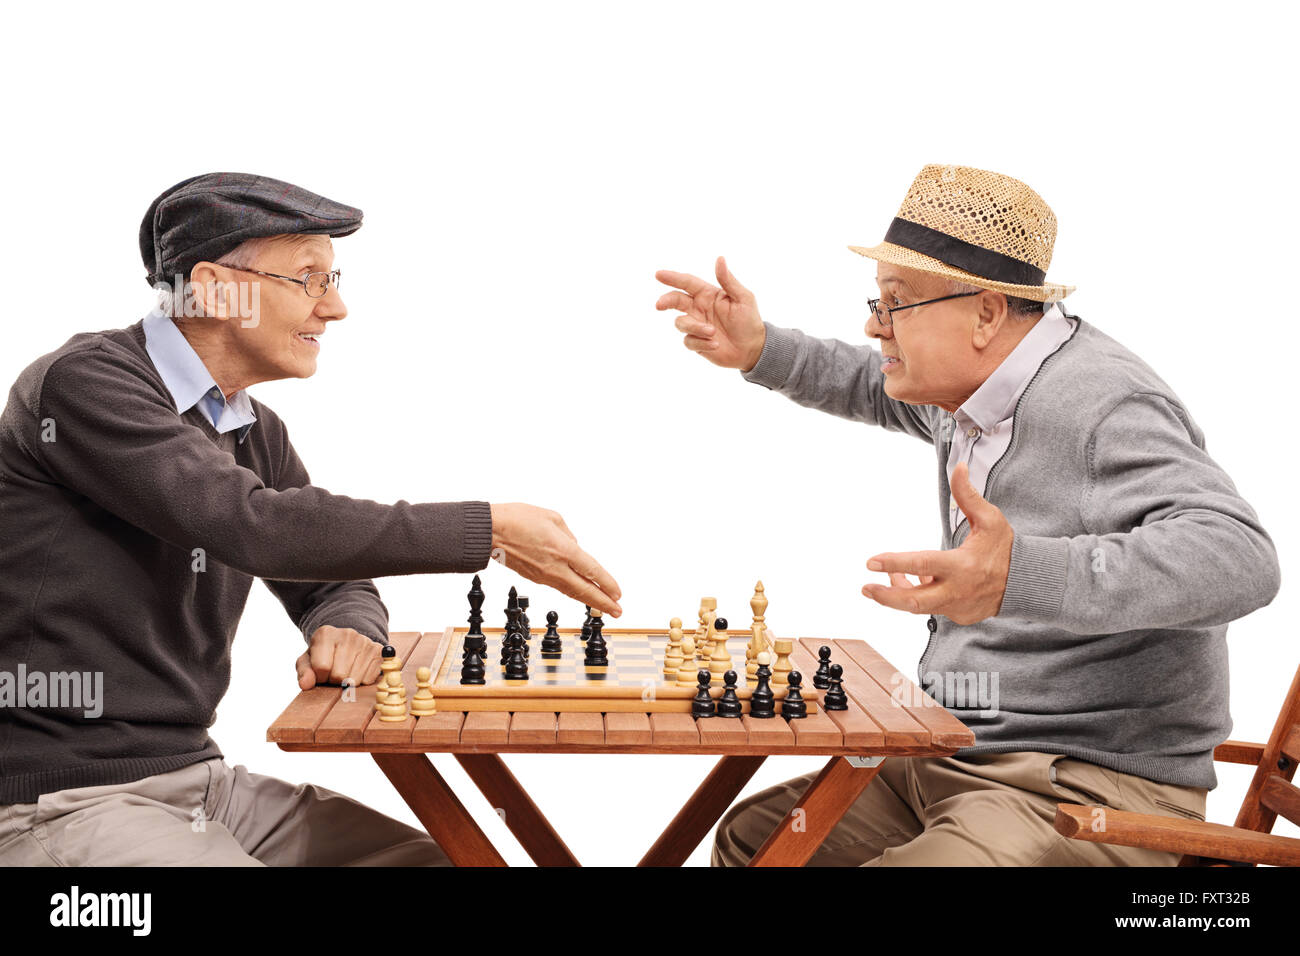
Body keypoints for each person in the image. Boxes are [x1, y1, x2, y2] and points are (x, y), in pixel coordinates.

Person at [655, 163, 1280, 866]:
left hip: (1079, 787)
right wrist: (763, 349)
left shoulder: (1103, 405)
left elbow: (1240, 558)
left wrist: (1023, 575)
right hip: (955, 752)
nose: (873, 323)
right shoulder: (978, 391)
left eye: (895, 302)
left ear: (985, 312)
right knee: (761, 843)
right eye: (877, 298)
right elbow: (877, 384)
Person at [0, 172, 620, 865]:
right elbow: (252, 524)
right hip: (57, 803)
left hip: (201, 785)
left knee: (446, 862)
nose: (337, 308)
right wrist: (488, 528)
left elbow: (327, 571)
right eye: (309, 279)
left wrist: (347, 623)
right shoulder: (86, 384)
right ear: (211, 286)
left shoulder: (252, 428)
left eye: (333, 278)